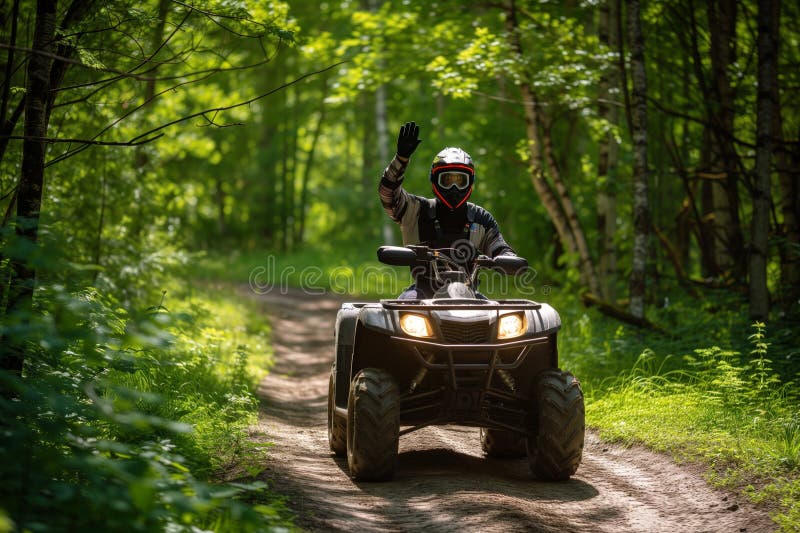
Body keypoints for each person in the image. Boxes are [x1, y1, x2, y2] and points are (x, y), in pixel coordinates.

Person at [378, 121, 522, 299]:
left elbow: (500, 248)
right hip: (421, 294)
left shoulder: (481, 218)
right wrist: (401, 159)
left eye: (460, 181)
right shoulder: (415, 210)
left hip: (469, 294)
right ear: (435, 180)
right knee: (398, 314)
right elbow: (388, 195)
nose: (454, 187)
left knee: (499, 320)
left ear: (470, 182)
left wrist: (508, 260)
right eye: (447, 180)